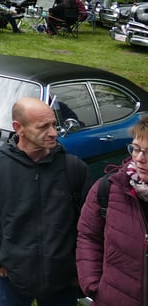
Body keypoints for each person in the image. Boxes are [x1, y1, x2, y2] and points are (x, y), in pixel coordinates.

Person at [0, 97, 87, 306]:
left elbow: (89, 226)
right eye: (43, 127)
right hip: (11, 277)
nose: (54, 133)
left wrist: (80, 268)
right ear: (18, 128)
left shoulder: (73, 168)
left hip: (63, 279)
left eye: (54, 125)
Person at [76, 114, 148, 306]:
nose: (140, 158)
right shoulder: (107, 189)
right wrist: (92, 284)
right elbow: (88, 237)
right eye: (136, 149)